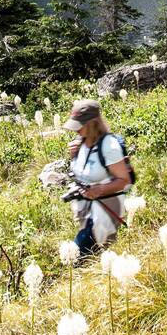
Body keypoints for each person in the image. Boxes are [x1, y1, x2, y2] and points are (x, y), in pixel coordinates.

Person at [64, 100, 131, 256]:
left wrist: (99, 190)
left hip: (105, 211)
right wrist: (73, 156)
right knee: (92, 256)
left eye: (80, 125)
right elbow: (79, 173)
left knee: (78, 257)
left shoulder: (109, 146)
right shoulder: (80, 143)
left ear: (93, 123)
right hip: (86, 212)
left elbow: (124, 180)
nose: (76, 129)